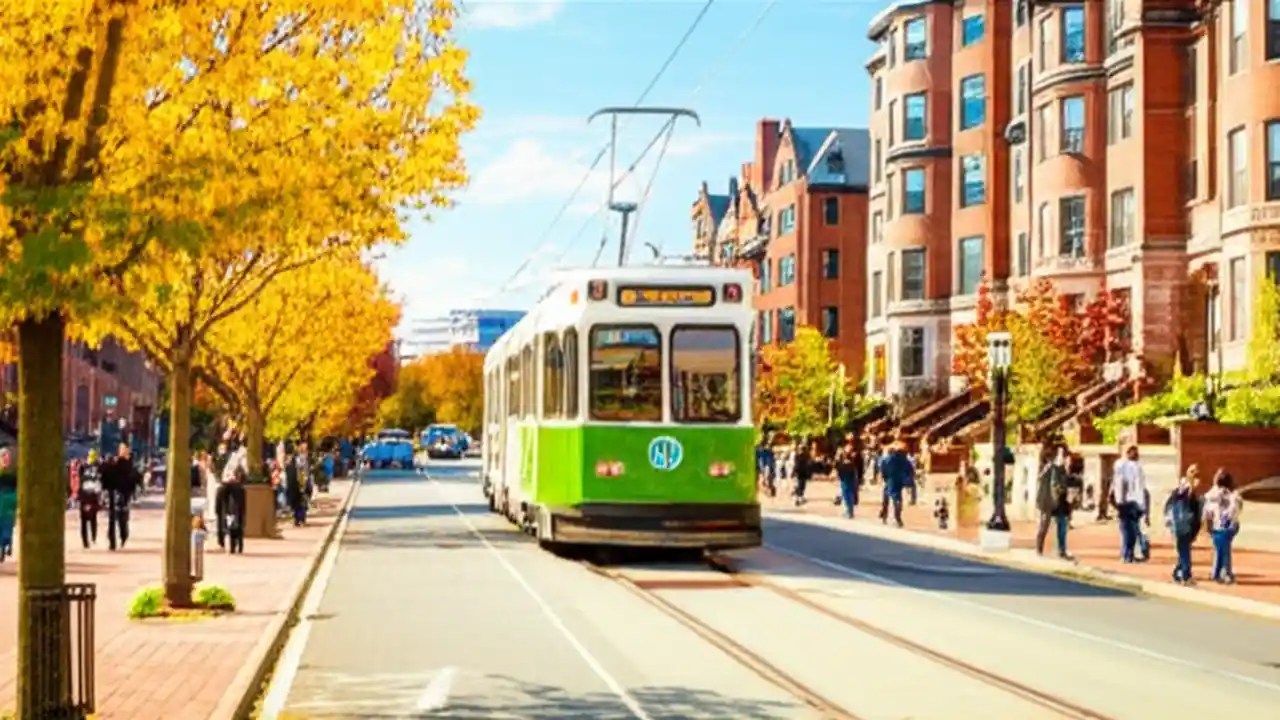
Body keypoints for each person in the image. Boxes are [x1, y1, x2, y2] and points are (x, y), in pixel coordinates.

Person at [1164, 465, 1204, 585]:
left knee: (1183, 550)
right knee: (1185, 551)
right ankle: (1186, 575)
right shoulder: (1183, 493)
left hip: (1185, 525)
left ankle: (1177, 572)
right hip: (1184, 525)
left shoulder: (1183, 494)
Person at [1202, 469, 1242, 584]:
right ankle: (1222, 572)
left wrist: (1206, 524)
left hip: (1217, 526)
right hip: (1229, 526)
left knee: (1221, 550)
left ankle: (1220, 572)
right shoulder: (1234, 495)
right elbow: (1237, 509)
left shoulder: (1213, 494)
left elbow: (1207, 510)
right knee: (1223, 550)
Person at [1110, 444, 1148, 563]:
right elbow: (1121, 483)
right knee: (1128, 531)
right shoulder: (1122, 465)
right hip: (1127, 502)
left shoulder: (1137, 465)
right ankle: (1127, 555)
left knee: (1132, 530)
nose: (1137, 454)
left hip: (1135, 502)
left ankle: (1129, 554)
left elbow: (1141, 487)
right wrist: (1120, 501)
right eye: (1133, 452)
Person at [1035, 443, 1073, 559]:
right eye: (1060, 454)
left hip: (1059, 502)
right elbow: (1054, 484)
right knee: (1044, 525)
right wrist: (1061, 491)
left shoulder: (1060, 469)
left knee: (1061, 525)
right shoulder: (1050, 468)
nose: (1063, 458)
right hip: (1049, 501)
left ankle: (1061, 550)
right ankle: (1039, 550)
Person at [101, 443, 139, 551]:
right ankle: (112, 541)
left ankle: (122, 536)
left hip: (124, 493)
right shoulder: (114, 463)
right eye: (122, 449)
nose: (123, 451)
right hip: (113, 492)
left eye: (125, 449)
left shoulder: (129, 464)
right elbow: (105, 474)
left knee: (122, 518)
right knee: (113, 518)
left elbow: (134, 478)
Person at [878, 441, 913, 527]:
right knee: (896, 496)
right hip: (900, 479)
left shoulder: (888, 458)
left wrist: (884, 477)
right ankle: (892, 515)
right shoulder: (905, 460)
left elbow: (883, 468)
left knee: (890, 496)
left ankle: (891, 516)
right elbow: (910, 470)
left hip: (890, 479)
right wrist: (908, 479)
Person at [833, 434, 864, 519]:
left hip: (847, 472)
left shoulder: (844, 450)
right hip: (851, 473)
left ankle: (849, 511)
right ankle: (849, 510)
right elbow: (860, 465)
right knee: (849, 491)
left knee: (847, 491)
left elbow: (836, 462)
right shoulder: (857, 451)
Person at [78, 450, 104, 549]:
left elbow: (80, 480)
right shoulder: (98, 467)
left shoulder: (83, 467)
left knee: (84, 521)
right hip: (93, 495)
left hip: (84, 495)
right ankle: (93, 537)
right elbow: (100, 482)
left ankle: (86, 541)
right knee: (93, 518)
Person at [0, 447, 16, 562]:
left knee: (8, 525)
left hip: (10, 501)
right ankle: (3, 547)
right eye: (3, 456)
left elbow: (17, 487)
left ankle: (7, 544)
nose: (6, 458)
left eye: (7, 456)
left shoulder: (13, 472)